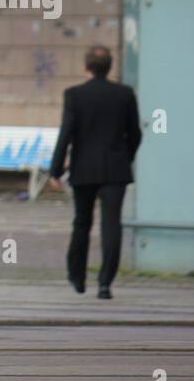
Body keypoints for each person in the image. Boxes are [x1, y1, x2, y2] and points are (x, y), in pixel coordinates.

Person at [48, 45, 142, 299]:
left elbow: (66, 133)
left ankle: (77, 276)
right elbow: (135, 133)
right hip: (115, 169)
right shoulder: (124, 94)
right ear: (110, 66)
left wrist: (55, 170)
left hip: (83, 168)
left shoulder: (74, 95)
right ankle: (104, 283)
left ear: (86, 67)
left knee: (82, 222)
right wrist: (125, 158)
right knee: (111, 225)